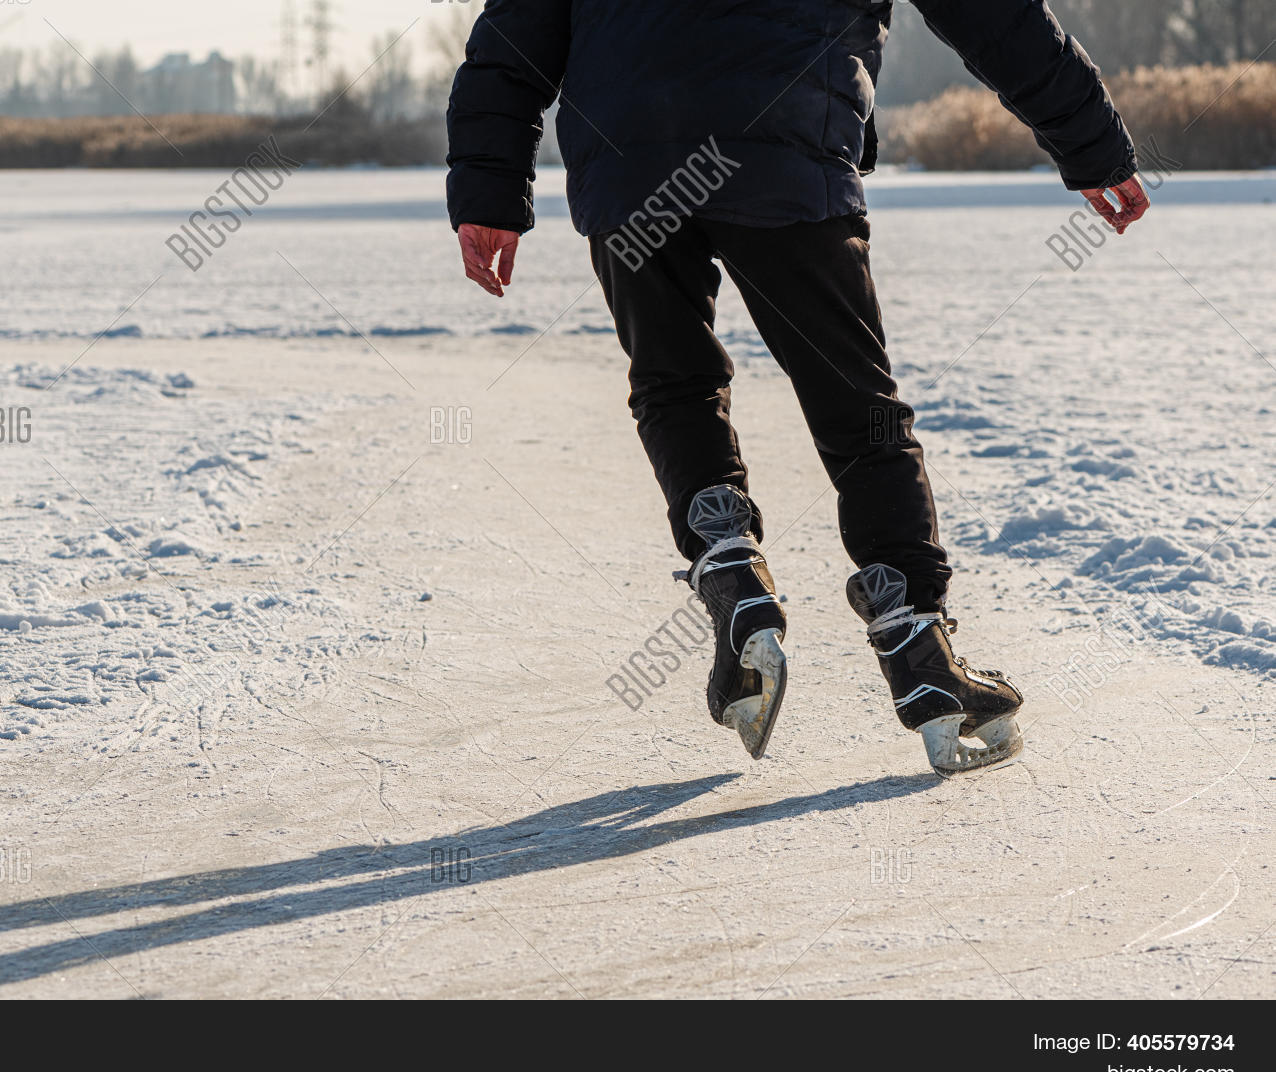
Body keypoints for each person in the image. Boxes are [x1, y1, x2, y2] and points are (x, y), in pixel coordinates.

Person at [445, 1, 1149, 775]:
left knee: (675, 384)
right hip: (784, 150)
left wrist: (487, 191)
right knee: (859, 412)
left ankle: (730, 565)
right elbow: (992, 15)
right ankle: (916, 640)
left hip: (630, 158)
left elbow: (513, 37)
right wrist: (1092, 145)